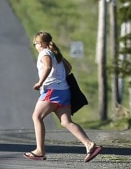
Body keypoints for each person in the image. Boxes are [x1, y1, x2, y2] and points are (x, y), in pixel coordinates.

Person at [25, 31, 104, 162]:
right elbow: (69, 67)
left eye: (35, 44)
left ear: (40, 43)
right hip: (64, 91)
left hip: (52, 91)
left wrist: (40, 82)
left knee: (36, 117)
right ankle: (90, 145)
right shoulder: (56, 54)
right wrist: (60, 77)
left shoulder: (44, 53)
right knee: (66, 122)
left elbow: (48, 67)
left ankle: (39, 151)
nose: (35, 47)